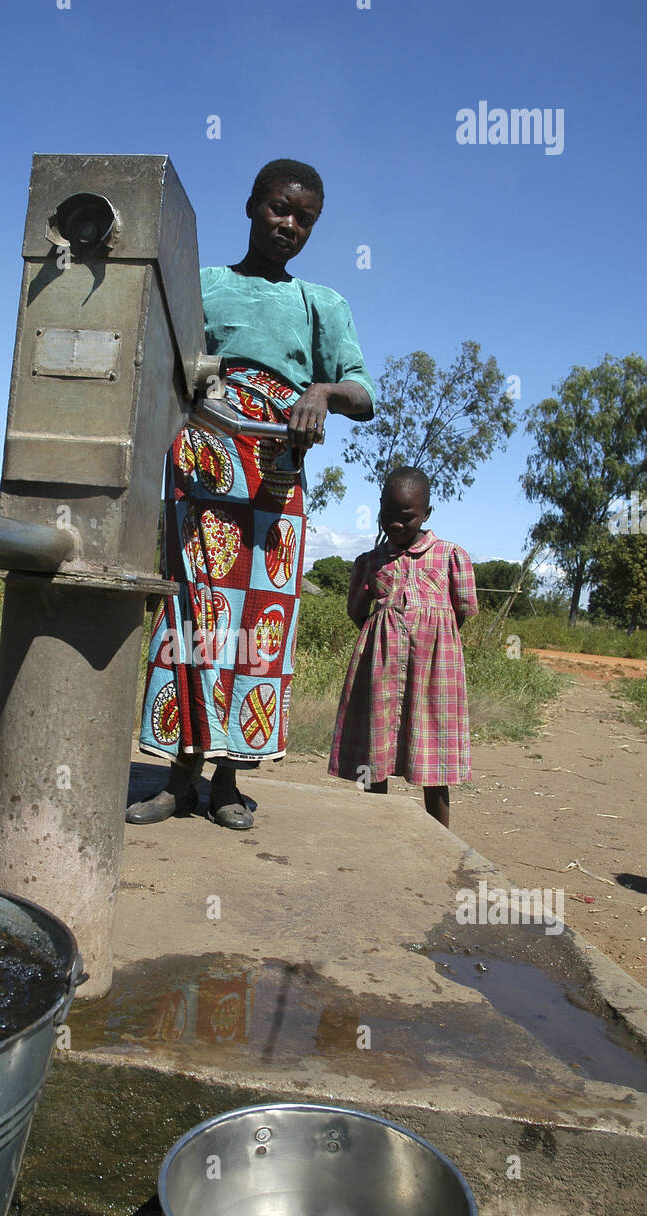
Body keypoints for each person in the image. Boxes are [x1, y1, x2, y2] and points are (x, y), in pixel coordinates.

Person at [127, 159, 376, 830]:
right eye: (279, 209)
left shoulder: (320, 305)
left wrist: (320, 393)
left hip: (275, 480)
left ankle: (230, 781)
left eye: (305, 218)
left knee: (260, 622)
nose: (290, 224)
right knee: (195, 617)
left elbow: (363, 391)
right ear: (252, 205)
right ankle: (179, 778)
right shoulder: (201, 284)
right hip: (203, 470)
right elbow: (161, 357)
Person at [328, 466, 478, 827]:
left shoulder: (451, 556)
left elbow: (464, 609)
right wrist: (385, 631)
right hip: (378, 668)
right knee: (373, 748)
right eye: (388, 516)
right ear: (379, 510)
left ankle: (441, 841)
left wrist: (429, 633)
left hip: (434, 672)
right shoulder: (369, 562)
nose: (396, 525)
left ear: (426, 514)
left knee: (434, 755)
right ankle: (375, 830)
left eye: (407, 518)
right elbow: (357, 612)